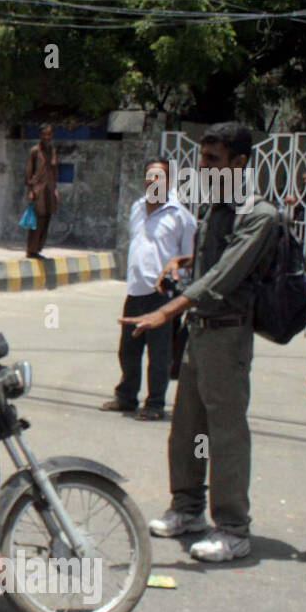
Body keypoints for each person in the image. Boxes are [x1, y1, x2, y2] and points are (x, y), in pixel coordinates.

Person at [120, 122, 281, 563]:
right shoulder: (217, 207)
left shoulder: (259, 215)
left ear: (240, 163)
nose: (203, 166)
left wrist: (164, 312)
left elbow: (226, 274)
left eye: (212, 159)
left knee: (225, 434)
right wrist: (183, 259)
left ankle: (233, 528)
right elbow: (211, 260)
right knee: (187, 429)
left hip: (229, 334)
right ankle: (188, 509)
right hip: (200, 331)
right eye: (202, 157)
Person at [100, 158, 196, 421]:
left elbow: (190, 258)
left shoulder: (180, 216)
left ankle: (154, 404)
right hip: (135, 291)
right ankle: (126, 397)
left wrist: (176, 283)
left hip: (162, 296)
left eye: (160, 176)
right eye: (150, 176)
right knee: (128, 349)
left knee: (159, 354)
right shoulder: (136, 208)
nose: (154, 181)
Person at [24, 123, 59, 258]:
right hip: (38, 189)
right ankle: (31, 249)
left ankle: (38, 249)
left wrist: (55, 189)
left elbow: (55, 170)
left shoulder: (52, 150)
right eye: (44, 134)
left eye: (49, 134)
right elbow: (29, 171)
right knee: (38, 219)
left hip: (49, 190)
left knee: (47, 219)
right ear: (40, 135)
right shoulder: (35, 151)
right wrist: (31, 190)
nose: (46, 137)